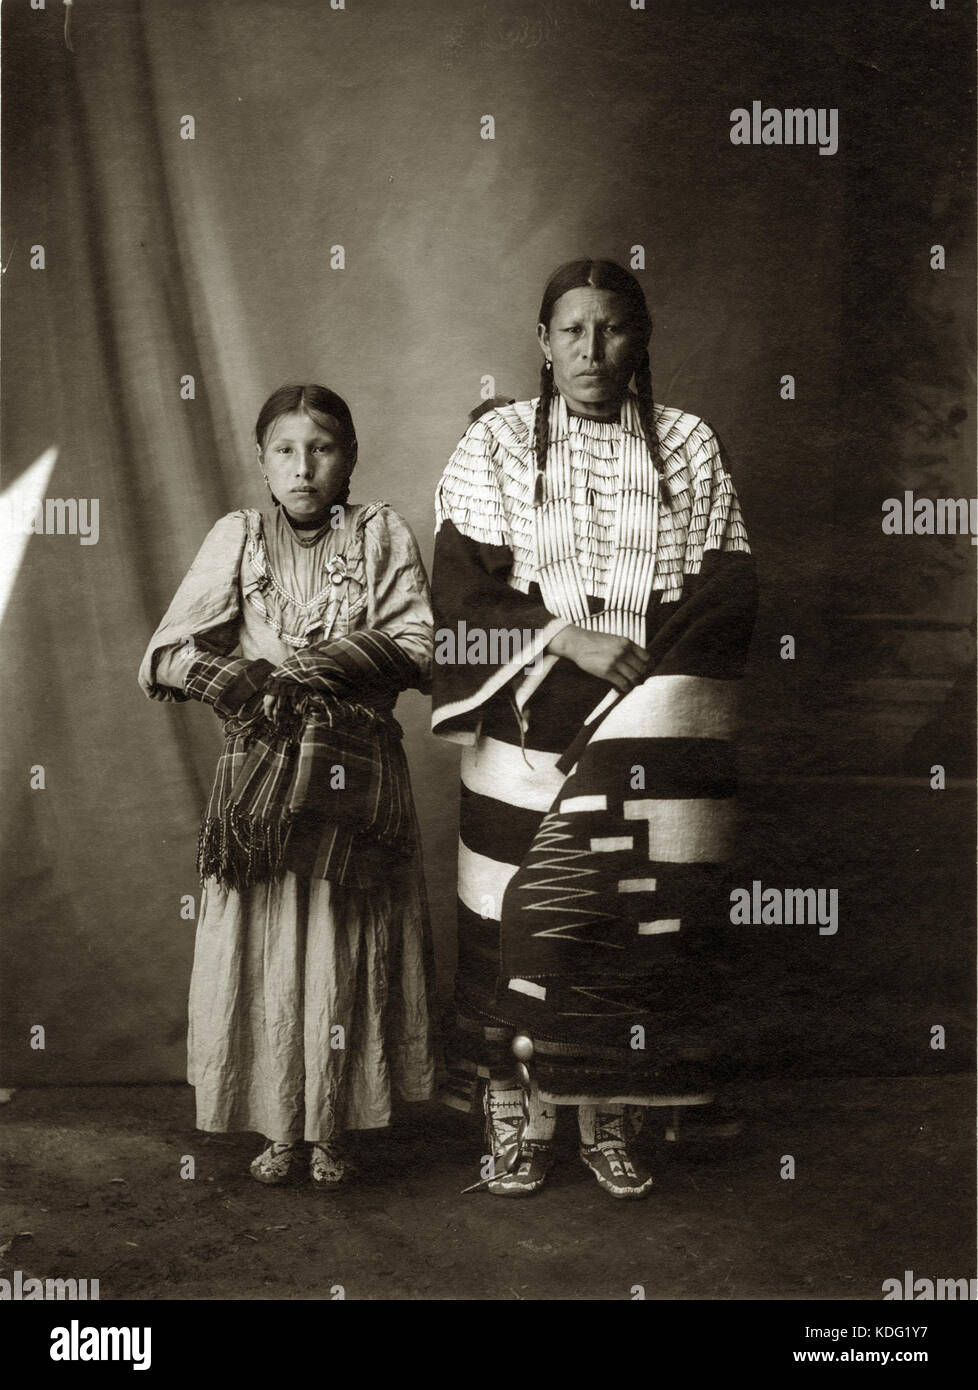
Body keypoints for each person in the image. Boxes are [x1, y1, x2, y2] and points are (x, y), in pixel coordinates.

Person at [431, 260, 757, 1200]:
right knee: (509, 923)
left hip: (643, 729)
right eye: (571, 330)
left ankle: (608, 1115)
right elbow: (459, 582)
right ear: (542, 343)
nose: (591, 349)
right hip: (525, 726)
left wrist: (648, 694)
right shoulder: (495, 443)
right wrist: (565, 636)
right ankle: (514, 1118)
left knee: (616, 924)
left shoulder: (688, 445)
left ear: (640, 340)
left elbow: (726, 586)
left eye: (612, 329)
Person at [138, 383, 435, 1187]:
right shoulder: (237, 537)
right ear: (262, 461)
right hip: (266, 781)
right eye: (285, 450)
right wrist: (241, 681)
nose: (304, 467)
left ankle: (336, 1127)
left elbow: (418, 642)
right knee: (268, 946)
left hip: (354, 780)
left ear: (350, 457)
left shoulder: (380, 534)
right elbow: (165, 652)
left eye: (323, 448)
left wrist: (321, 665)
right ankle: (277, 1126)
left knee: (342, 939)